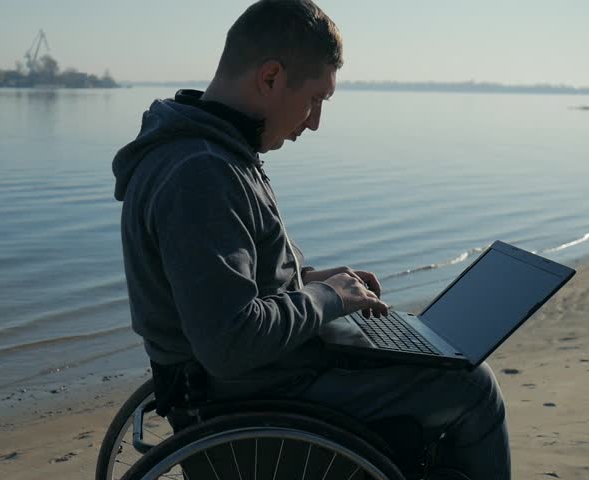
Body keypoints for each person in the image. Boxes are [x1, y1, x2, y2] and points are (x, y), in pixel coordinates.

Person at [112, 1, 510, 478]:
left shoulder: (217, 150)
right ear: (271, 77)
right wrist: (328, 298)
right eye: (315, 99)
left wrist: (314, 280)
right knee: (473, 387)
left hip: (265, 374)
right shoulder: (201, 172)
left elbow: (234, 283)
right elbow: (229, 341)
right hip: (249, 394)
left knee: (438, 364)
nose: (315, 121)